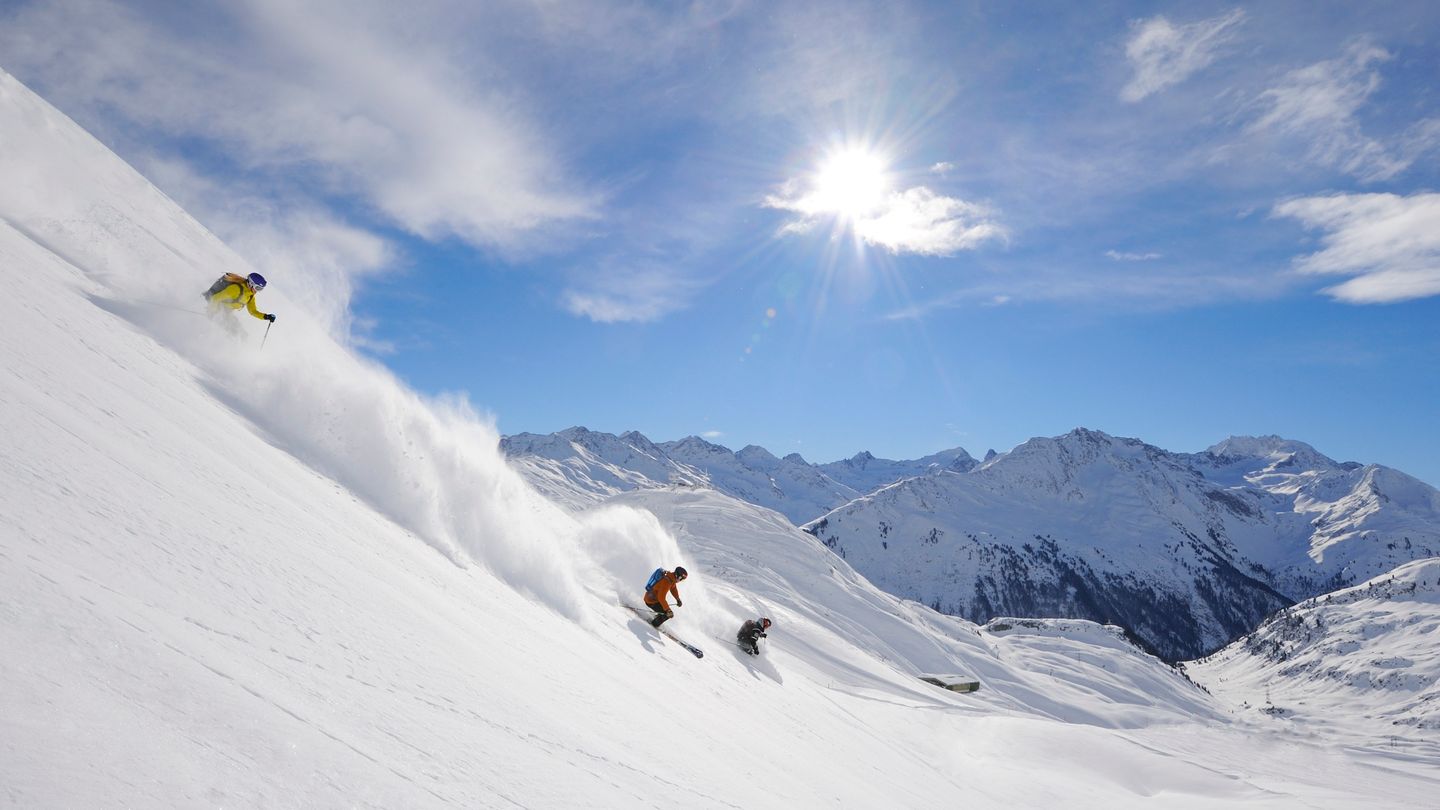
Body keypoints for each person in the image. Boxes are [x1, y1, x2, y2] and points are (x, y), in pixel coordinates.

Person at [205, 272, 275, 334]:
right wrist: (212, 312)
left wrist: (266, 316)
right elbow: (215, 298)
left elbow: (253, 311)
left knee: (241, 334)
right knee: (233, 332)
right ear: (251, 284)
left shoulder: (250, 295)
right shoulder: (236, 289)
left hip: (226, 313)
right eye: (258, 288)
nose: (257, 291)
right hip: (217, 311)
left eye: (261, 289)